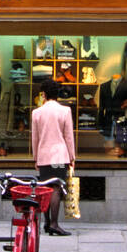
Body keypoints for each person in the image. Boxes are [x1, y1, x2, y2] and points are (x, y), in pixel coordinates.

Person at [30, 79, 75, 236]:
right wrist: (72, 157)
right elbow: (68, 136)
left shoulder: (36, 113)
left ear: (43, 94)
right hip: (59, 156)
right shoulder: (65, 111)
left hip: (43, 156)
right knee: (56, 188)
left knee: (45, 189)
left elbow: (34, 138)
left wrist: (36, 158)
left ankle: (47, 222)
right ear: (58, 94)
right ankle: (55, 224)